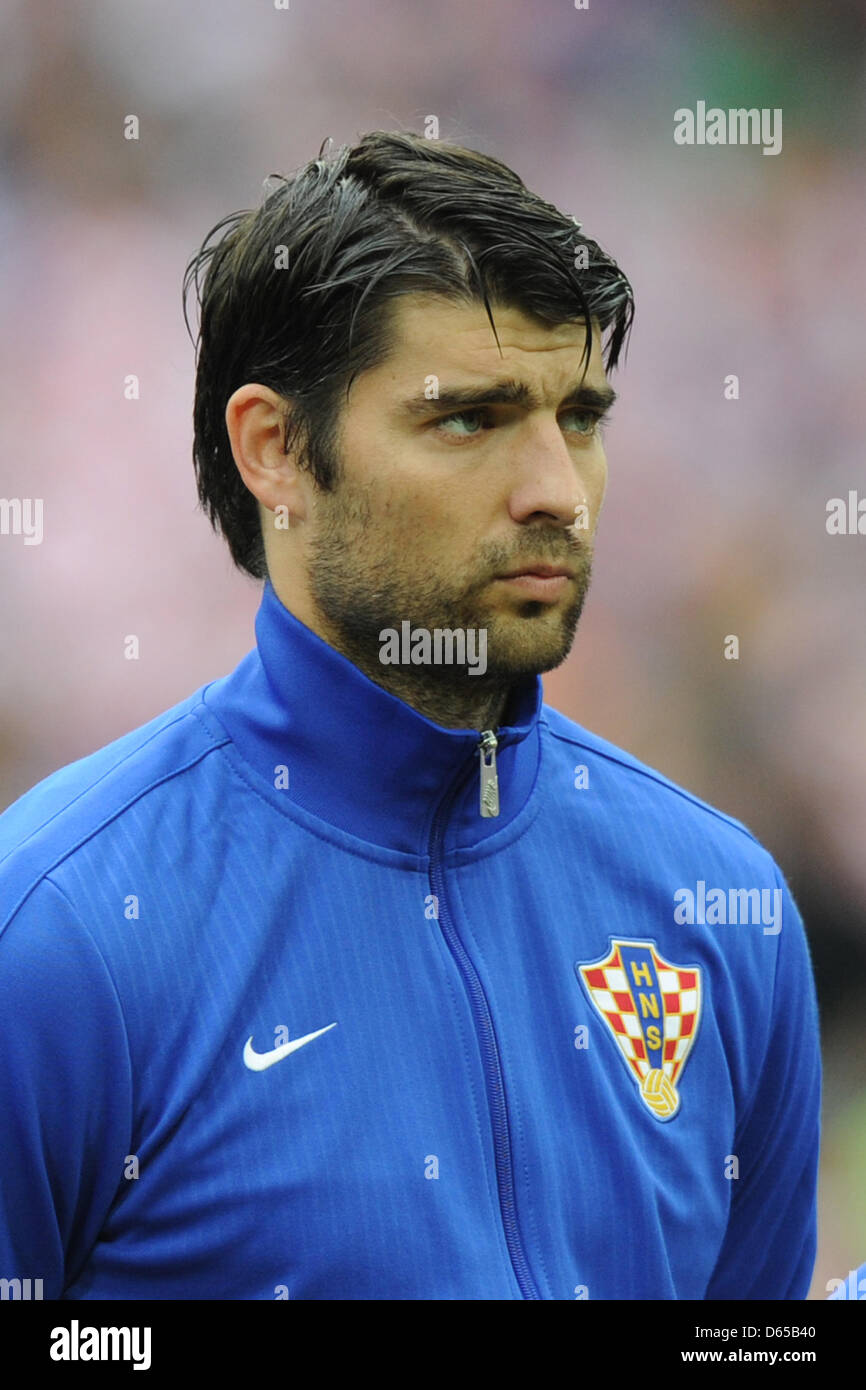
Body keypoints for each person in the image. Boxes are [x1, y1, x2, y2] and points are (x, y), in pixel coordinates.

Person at [0, 130, 820, 1300]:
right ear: (274, 449)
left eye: (578, 416)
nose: (554, 491)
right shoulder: (58, 932)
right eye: (469, 419)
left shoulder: (717, 901)